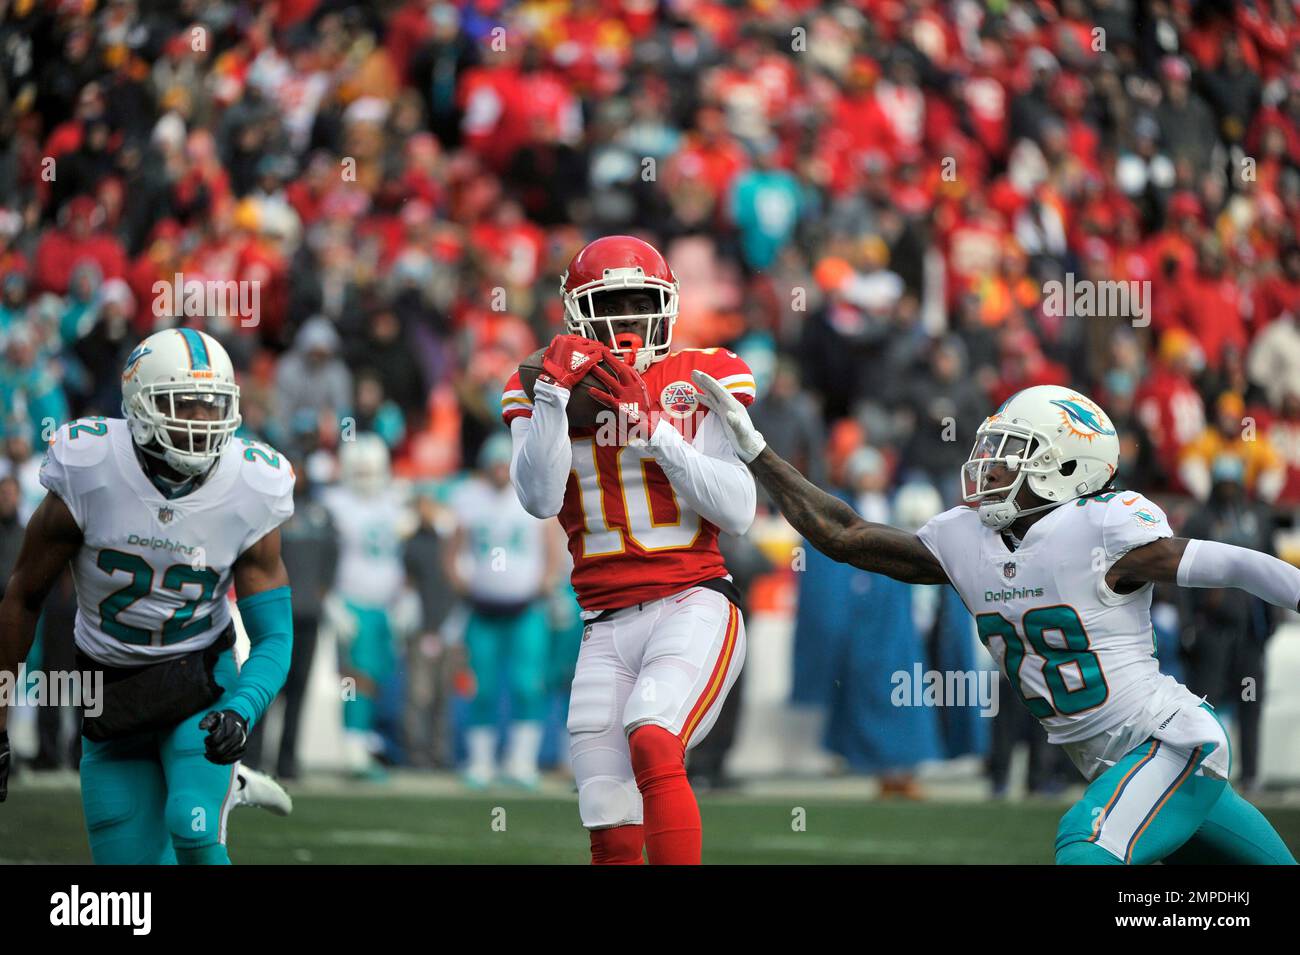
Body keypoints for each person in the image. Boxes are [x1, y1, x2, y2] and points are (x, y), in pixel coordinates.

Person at [693, 375, 1297, 865]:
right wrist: (757, 452)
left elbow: (1236, 563)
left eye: (1012, 452)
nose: (989, 464)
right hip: (1115, 761)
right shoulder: (967, 540)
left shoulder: (1102, 529)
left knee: (1087, 846)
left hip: (1170, 742)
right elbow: (845, 535)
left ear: (1066, 468)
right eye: (992, 448)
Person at [501, 235, 756, 864]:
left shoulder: (704, 374)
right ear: (576, 312)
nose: (627, 319)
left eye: (640, 301)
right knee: (608, 818)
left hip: (691, 600)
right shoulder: (538, 383)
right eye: (610, 304)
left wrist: (656, 430)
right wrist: (553, 398)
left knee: (653, 734)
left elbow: (738, 510)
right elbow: (538, 498)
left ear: (666, 304)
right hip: (603, 623)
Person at [0, 328, 295, 864]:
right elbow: (22, 598)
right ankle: (227, 784)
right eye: (185, 405)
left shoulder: (252, 484)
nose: (201, 422)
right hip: (106, 687)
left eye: (213, 406)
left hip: (198, 677)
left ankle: (213, 784)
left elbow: (275, 635)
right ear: (140, 406)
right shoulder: (90, 467)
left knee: (192, 826)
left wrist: (241, 711)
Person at [446, 432, 561, 788]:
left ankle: (521, 762)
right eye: (494, 463)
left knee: (528, 685)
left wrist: (547, 581)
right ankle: (480, 762)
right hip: (482, 610)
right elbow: (452, 548)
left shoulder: (530, 494)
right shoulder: (468, 497)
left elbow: (551, 545)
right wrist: (460, 580)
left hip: (526, 609)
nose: (499, 469)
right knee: (481, 686)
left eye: (503, 463)